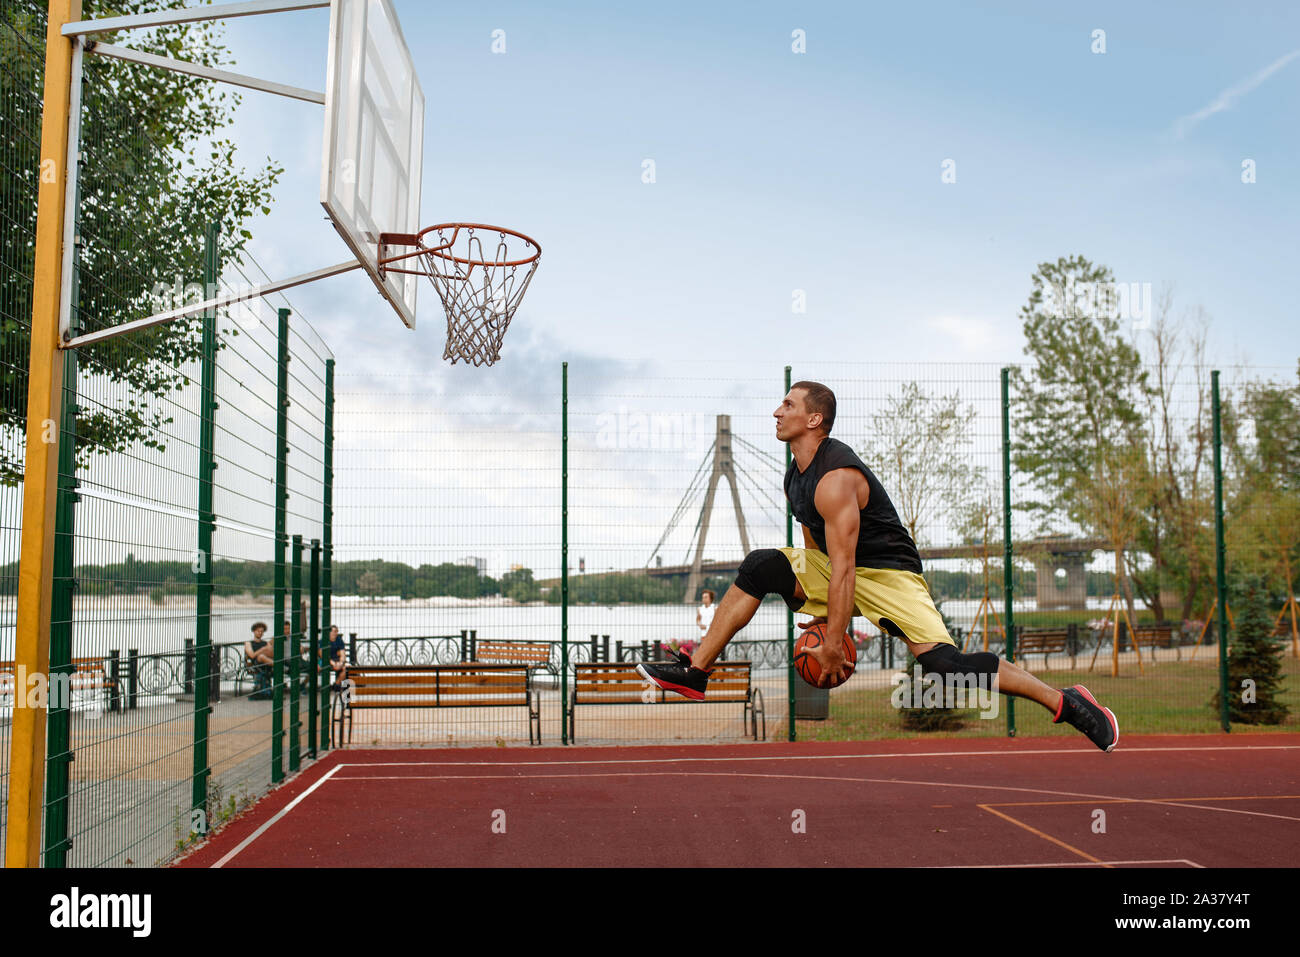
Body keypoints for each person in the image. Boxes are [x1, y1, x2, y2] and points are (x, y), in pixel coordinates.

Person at [638, 380, 1119, 752]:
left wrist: (831, 641)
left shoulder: (837, 477)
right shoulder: (795, 475)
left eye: (788, 405)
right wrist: (817, 597)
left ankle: (1067, 702)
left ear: (814, 418)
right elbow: (815, 544)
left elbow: (847, 569)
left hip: (889, 573)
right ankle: (697, 671)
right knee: (761, 565)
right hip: (836, 566)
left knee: (947, 668)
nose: (776, 412)